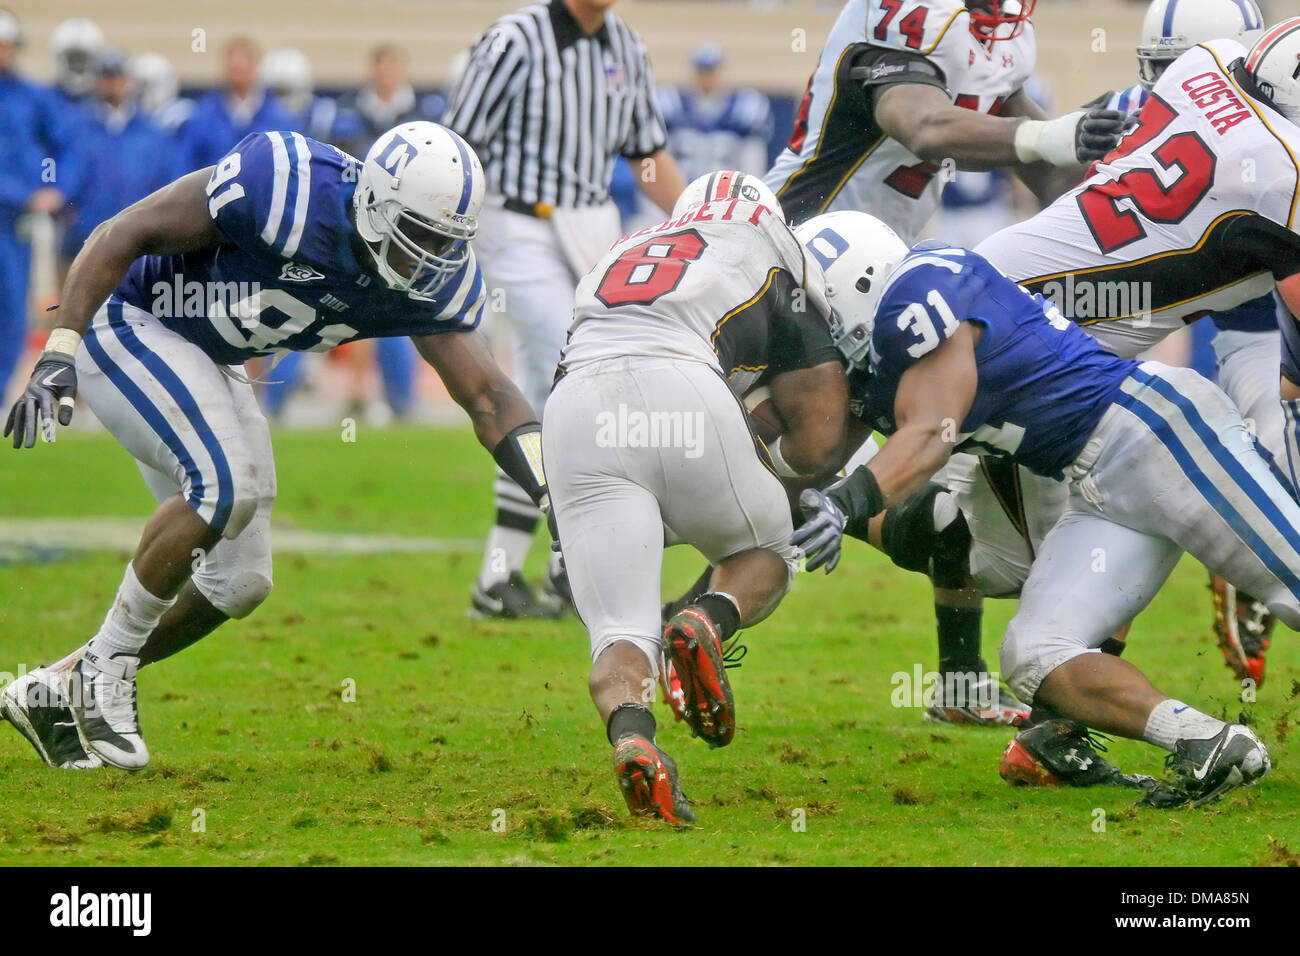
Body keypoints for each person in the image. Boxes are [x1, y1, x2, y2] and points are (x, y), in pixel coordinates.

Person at [0, 122, 549, 772]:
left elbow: (487, 395)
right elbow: (124, 231)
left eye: (444, 242)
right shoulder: (287, 185)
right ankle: (105, 673)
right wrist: (58, 349)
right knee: (224, 487)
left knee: (240, 582)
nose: (428, 257)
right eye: (419, 235)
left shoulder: (433, 277)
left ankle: (64, 681)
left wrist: (557, 493)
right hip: (130, 322)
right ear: (374, 203)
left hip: (210, 358)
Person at [792, 212, 1283, 808]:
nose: (811, 328)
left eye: (819, 308)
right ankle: (1209, 743)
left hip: (1157, 434)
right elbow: (810, 455)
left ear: (858, 283)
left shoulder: (922, 291)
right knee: (1034, 653)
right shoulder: (879, 358)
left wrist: (846, 501)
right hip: (1097, 487)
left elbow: (931, 431)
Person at [545, 173, 848, 823]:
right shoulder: (768, 241)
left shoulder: (621, 250)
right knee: (765, 551)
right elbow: (820, 430)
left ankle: (633, 740)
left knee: (619, 631)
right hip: (680, 388)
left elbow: (565, 366)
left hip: (573, 411)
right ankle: (707, 618)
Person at [444, 0, 687, 620]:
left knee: (540, 392)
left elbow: (647, 154)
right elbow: (458, 146)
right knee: (577, 373)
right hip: (516, 225)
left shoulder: (626, 45)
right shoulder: (515, 39)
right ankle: (569, 562)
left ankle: (503, 577)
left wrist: (699, 219)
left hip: (590, 226)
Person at [0, 8, 82, 398]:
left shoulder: (34, 98)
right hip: (13, 208)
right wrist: (20, 192)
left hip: (15, 227)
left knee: (14, 315)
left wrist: (53, 187)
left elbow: (66, 148)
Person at [63, 51, 175, 259]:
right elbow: (66, 179)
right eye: (106, 78)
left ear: (129, 81)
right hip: (83, 238)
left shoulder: (151, 131)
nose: (113, 84)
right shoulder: (77, 125)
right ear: (97, 82)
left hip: (138, 240)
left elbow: (167, 179)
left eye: (118, 77)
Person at [177, 37, 301, 174]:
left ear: (255, 67)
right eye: (233, 68)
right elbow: (184, 169)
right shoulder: (202, 118)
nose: (237, 73)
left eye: (242, 68)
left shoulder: (281, 119)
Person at [658, 42, 773, 183]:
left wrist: (750, 195)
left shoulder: (744, 107)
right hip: (682, 194)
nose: (706, 78)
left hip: (726, 195)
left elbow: (753, 164)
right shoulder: (672, 104)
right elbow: (660, 159)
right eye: (702, 71)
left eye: (711, 71)